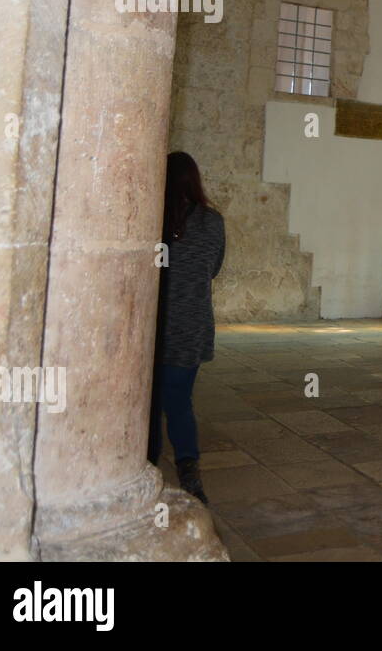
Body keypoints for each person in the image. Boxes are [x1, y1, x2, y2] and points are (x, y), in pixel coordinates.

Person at [149, 151, 225, 505]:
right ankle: (189, 473)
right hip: (192, 324)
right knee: (179, 403)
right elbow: (212, 268)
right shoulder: (212, 222)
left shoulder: (152, 220)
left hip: (155, 327)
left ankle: (144, 468)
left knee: (147, 405)